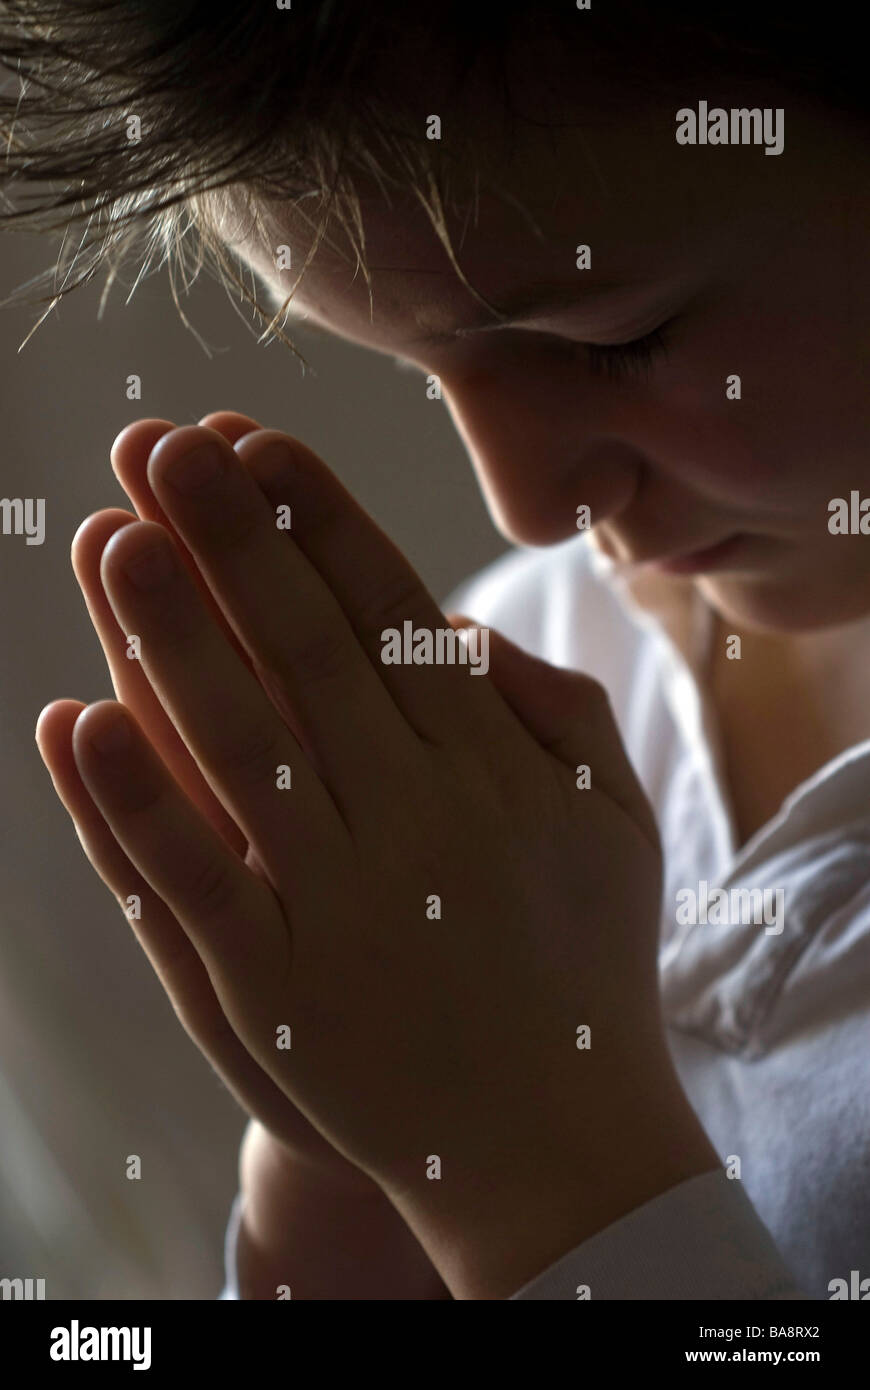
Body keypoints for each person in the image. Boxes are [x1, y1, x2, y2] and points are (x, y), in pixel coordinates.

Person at [7, 2, 869, 1298]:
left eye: (614, 340)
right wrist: (348, 1146)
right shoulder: (511, 683)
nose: (529, 508)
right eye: (419, 369)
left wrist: (525, 1169)